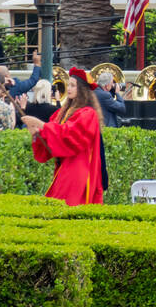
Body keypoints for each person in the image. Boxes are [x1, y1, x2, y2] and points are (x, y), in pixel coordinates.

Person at [22, 67, 105, 206]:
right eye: (69, 85)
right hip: (64, 167)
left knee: (68, 205)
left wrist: (42, 125)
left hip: (79, 168)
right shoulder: (62, 113)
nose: (69, 88)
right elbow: (51, 137)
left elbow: (69, 134)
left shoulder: (88, 114)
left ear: (82, 90)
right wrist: (37, 133)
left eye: (73, 85)